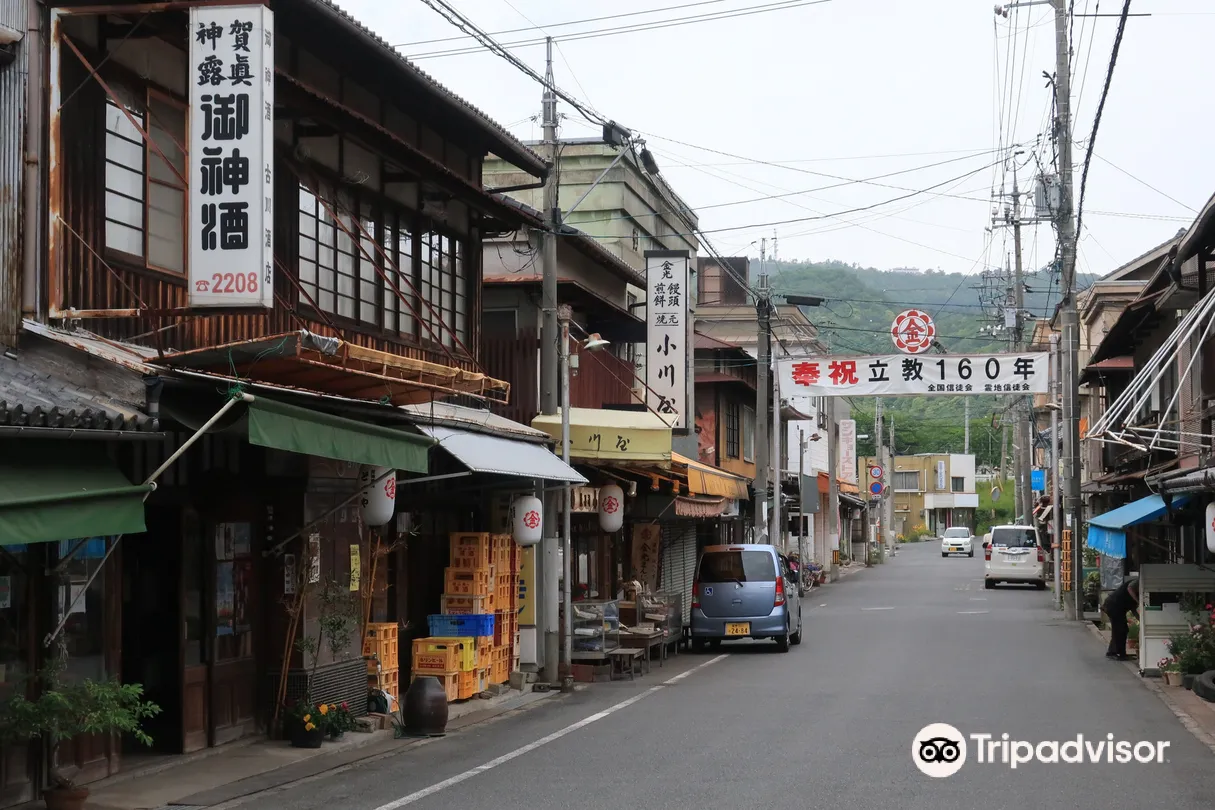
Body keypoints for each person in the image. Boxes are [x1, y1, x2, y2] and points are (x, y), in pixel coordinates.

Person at [1103, 576, 1139, 660]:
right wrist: (1137, 600)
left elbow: (1133, 609)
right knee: (1119, 629)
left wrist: (1140, 619)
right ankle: (1114, 653)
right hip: (1113, 605)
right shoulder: (1138, 582)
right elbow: (1130, 588)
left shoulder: (1136, 595)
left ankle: (1120, 653)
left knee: (1123, 629)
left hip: (1117, 608)